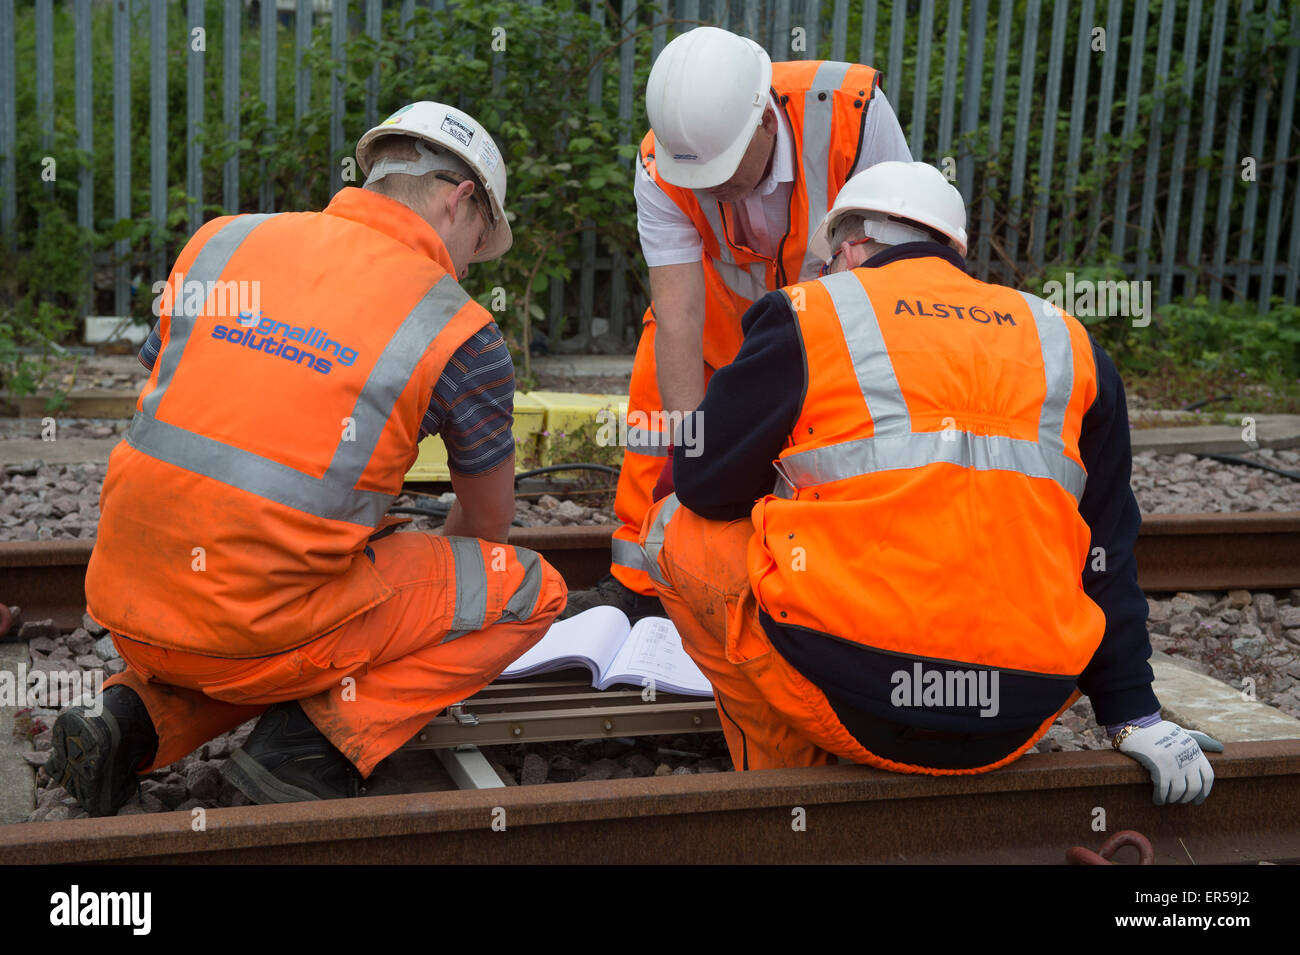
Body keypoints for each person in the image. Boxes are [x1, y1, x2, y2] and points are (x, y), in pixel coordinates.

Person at [636, 161, 1221, 805]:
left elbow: (706, 486)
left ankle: (782, 774)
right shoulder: (1066, 341)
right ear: (952, 248)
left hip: (853, 702)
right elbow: (1106, 551)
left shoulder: (811, 312)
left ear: (853, 246)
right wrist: (1133, 713)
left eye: (829, 262)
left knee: (673, 525)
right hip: (1017, 715)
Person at [49, 102, 567, 815]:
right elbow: (486, 527)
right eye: (478, 242)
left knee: (266, 602)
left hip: (127, 601)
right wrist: (390, 593)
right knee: (527, 588)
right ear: (461, 199)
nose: (468, 267)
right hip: (254, 633)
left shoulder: (220, 241)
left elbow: (173, 400)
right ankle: (308, 749)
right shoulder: (458, 326)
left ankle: (131, 722)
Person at [562, 25, 913, 621]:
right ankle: (647, 580)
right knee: (659, 357)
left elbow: (897, 273)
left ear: (768, 121)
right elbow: (679, 313)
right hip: (723, 316)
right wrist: (688, 454)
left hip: (839, 316)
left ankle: (842, 570)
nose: (712, 190)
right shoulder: (663, 162)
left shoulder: (853, 114)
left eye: (724, 172)